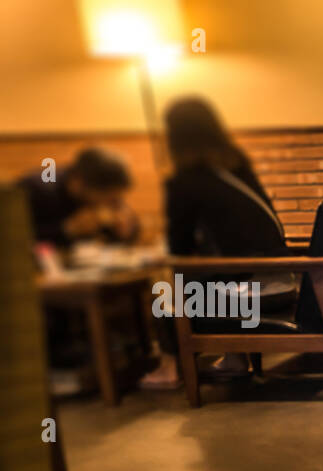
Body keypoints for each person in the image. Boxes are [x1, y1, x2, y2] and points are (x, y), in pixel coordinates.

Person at [141, 96, 296, 389]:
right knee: (214, 277)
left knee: (163, 294)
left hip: (252, 297)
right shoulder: (236, 164)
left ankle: (170, 367)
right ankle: (235, 358)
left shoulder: (185, 180)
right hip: (284, 285)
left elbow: (179, 249)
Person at [15, 147, 138, 248]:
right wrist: (67, 230)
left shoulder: (97, 200)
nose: (113, 205)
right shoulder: (36, 190)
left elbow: (120, 235)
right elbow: (15, 240)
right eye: (110, 198)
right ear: (79, 183)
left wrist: (128, 229)